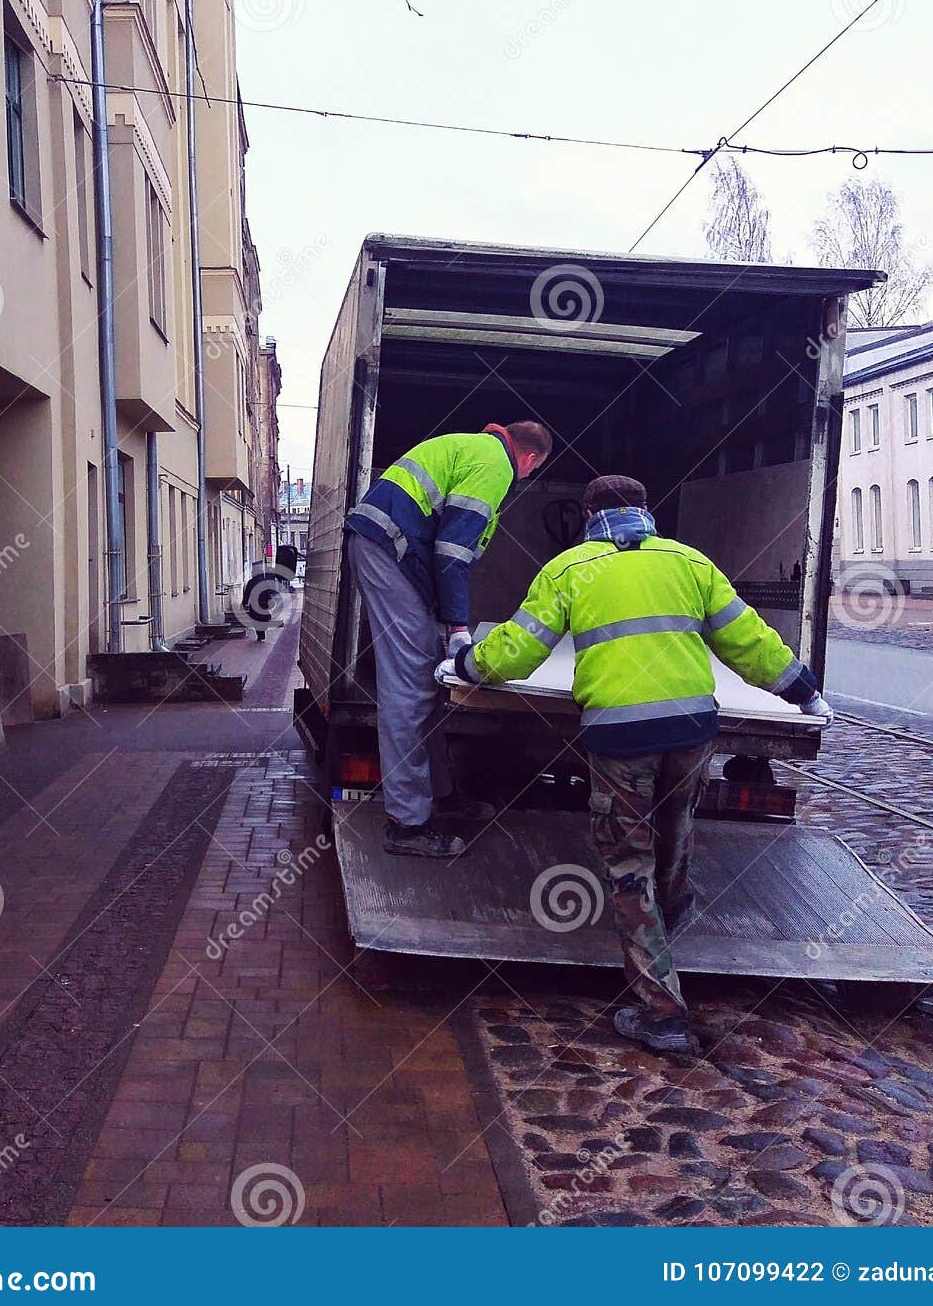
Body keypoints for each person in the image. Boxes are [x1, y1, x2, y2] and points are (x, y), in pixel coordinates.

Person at [441, 473, 833, 1054]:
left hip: (621, 738)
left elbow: (518, 651)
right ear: (646, 511)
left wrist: (466, 665)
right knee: (675, 836)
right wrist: (803, 690)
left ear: (588, 516)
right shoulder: (690, 563)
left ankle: (662, 1011)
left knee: (629, 865)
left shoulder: (570, 570)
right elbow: (749, 640)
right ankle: (667, 924)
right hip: (692, 731)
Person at [345, 421, 553, 858]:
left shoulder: (473, 450)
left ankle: (441, 795)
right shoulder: (496, 465)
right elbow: (453, 552)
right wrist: (457, 627)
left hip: (391, 550)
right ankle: (407, 825)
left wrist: (448, 621)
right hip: (391, 551)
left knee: (428, 684)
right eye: (533, 470)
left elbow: (445, 547)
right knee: (409, 689)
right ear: (531, 458)